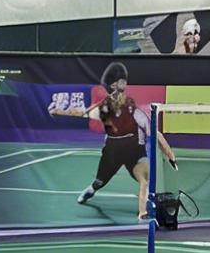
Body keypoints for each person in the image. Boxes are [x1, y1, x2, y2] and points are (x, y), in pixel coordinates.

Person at [57, 75, 175, 217]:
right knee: (100, 182)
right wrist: (60, 111)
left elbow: (157, 135)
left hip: (134, 152)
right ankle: (92, 189)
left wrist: (170, 156)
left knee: (145, 180)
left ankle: (144, 210)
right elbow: (83, 113)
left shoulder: (136, 113)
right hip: (112, 152)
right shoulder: (104, 110)